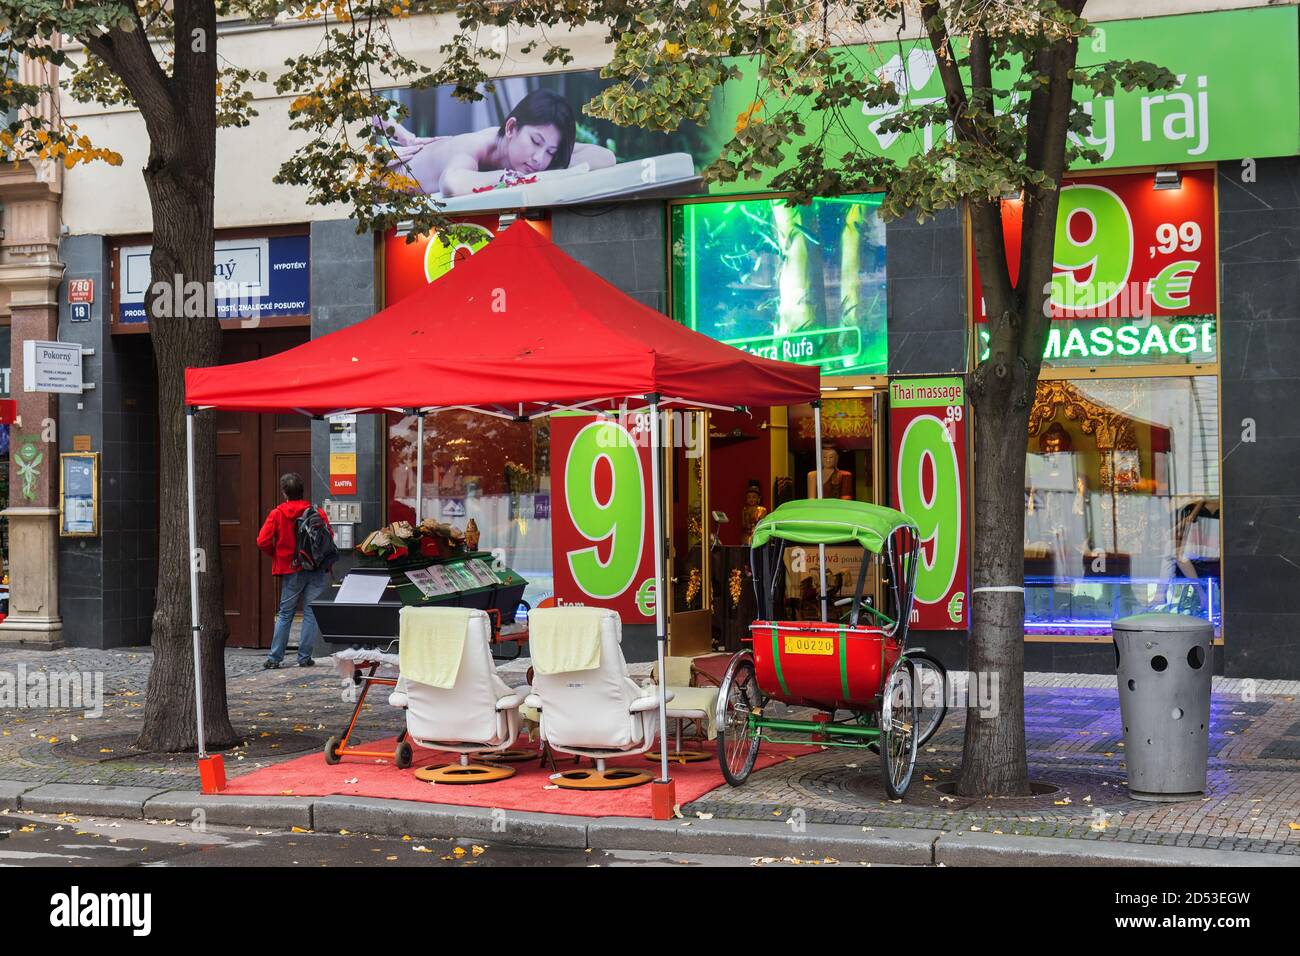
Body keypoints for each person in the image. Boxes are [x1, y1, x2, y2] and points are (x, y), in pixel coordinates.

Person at [380, 88, 616, 197]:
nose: (539, 159)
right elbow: (452, 184)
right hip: (372, 186)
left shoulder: (531, 154)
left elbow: (606, 158)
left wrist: (557, 154)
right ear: (511, 127)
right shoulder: (476, 145)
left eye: (551, 151)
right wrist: (520, 179)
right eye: (536, 141)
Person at [257, 472, 333, 669]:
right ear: (302, 490)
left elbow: (262, 541)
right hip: (315, 569)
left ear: (284, 492)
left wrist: (277, 554)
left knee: (285, 614)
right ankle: (304, 657)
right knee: (310, 613)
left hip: (290, 568)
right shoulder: (316, 511)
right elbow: (328, 536)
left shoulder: (278, 513)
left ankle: (275, 658)